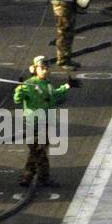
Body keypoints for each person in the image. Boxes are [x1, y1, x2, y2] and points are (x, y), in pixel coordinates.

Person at [12, 55, 70, 188]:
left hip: (46, 123)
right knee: (39, 151)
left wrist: (67, 86)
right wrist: (19, 89)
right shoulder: (28, 85)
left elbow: (54, 95)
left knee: (38, 151)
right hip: (33, 123)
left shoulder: (48, 84)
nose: (45, 70)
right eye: (42, 68)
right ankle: (40, 178)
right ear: (34, 69)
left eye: (46, 68)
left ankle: (28, 177)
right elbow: (17, 99)